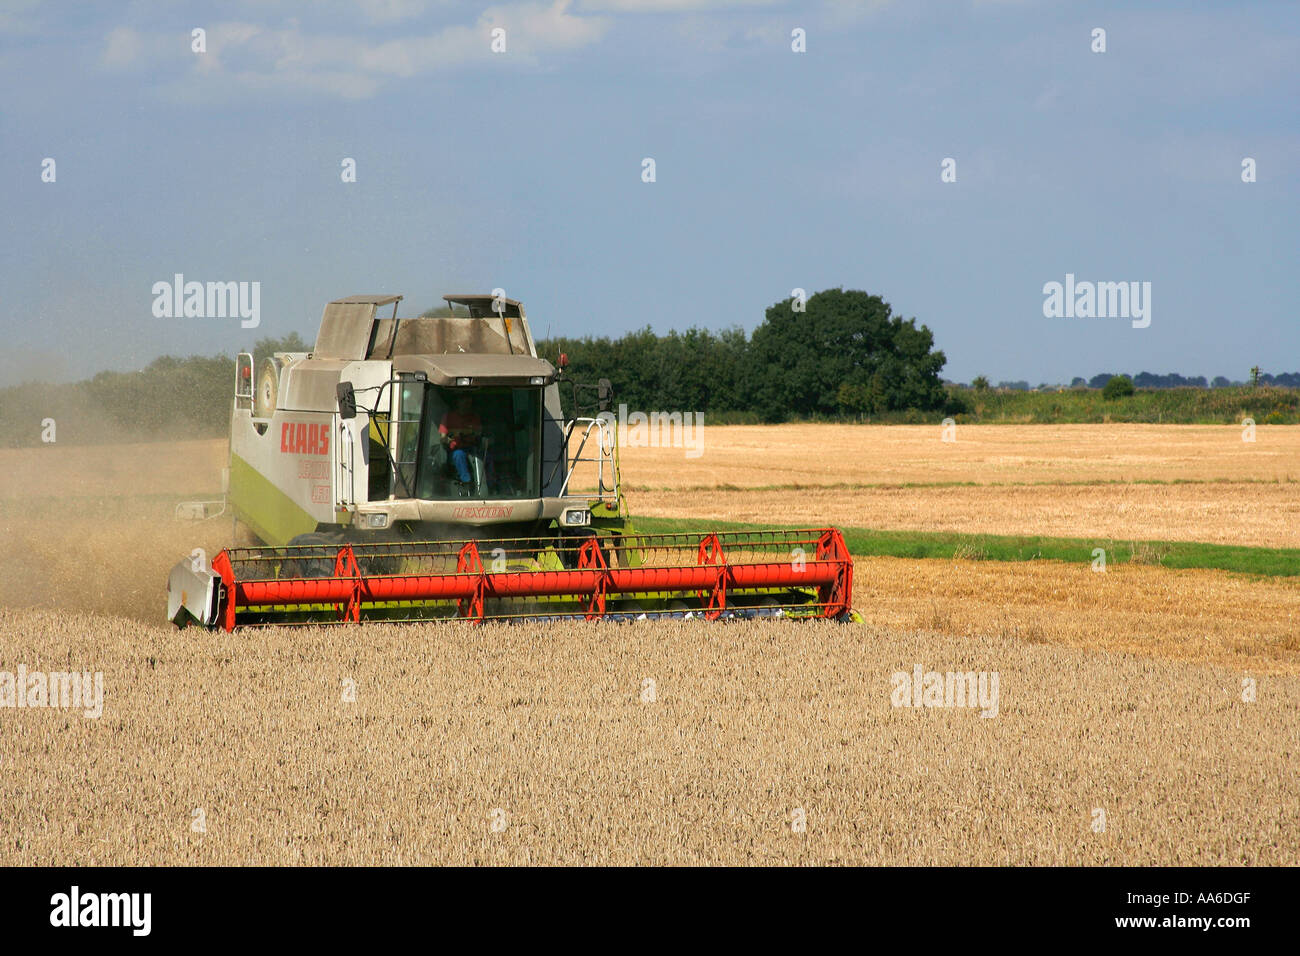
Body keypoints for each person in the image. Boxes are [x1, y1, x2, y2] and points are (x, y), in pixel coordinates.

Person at [439, 394, 481, 485]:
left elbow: (479, 433)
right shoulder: (448, 417)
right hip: (456, 449)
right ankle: (467, 482)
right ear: (458, 402)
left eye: (469, 403)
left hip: (473, 448)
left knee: (487, 457)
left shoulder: (474, 417)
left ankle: (491, 484)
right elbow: (442, 438)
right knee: (458, 455)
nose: (467, 405)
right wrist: (449, 439)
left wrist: (467, 433)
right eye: (464, 402)